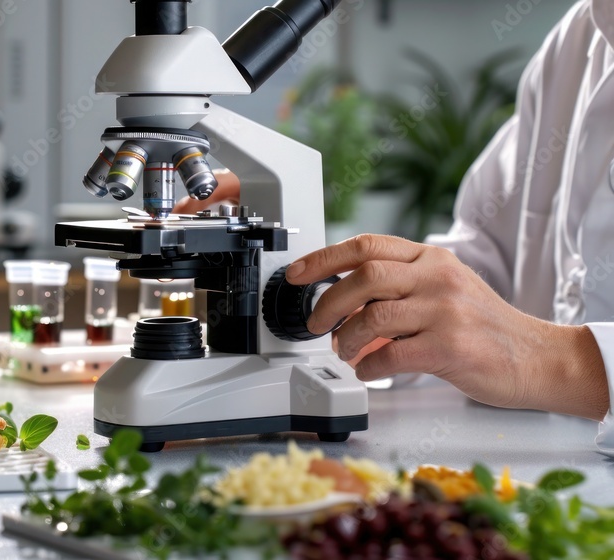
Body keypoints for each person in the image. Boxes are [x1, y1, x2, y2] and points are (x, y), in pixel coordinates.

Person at [177, 0, 614, 452]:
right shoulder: (579, 37)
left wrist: (537, 358)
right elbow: (485, 267)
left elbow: (507, 335)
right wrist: (344, 294)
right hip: (542, 466)